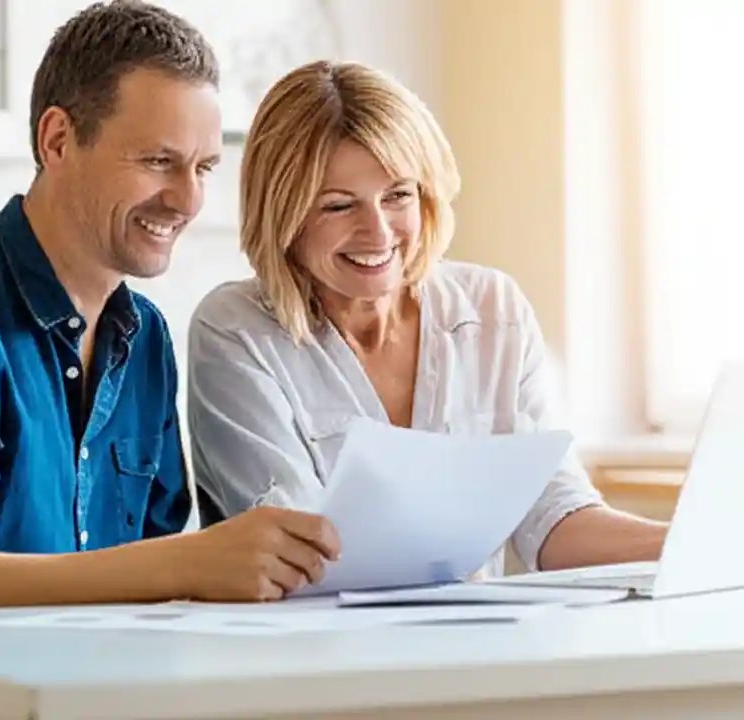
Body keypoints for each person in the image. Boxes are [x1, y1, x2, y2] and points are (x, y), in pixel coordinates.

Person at [0, 4, 340, 717]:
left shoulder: (148, 340)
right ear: (59, 139)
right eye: (158, 161)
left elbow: (152, 578)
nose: (188, 199)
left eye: (203, 167)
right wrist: (195, 561)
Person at [186, 60, 673, 581]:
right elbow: (299, 547)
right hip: (318, 655)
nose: (377, 233)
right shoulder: (235, 332)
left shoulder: (492, 308)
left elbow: (554, 519)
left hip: (466, 650)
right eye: (338, 206)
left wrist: (692, 540)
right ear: (284, 214)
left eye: (398, 196)